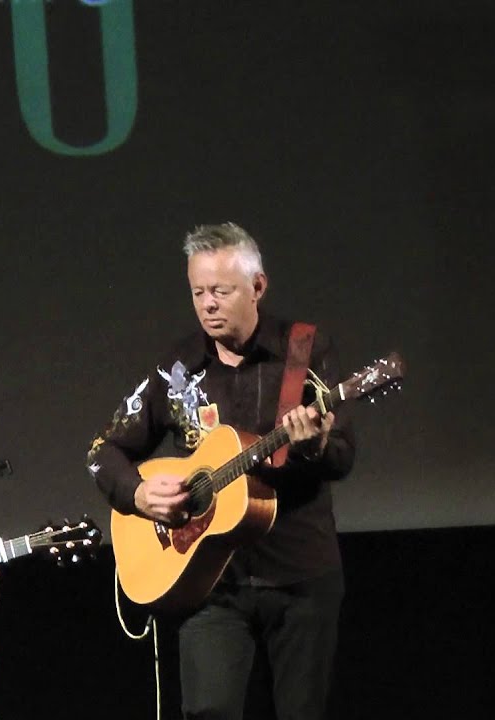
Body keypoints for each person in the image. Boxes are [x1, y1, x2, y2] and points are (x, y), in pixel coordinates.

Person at [87, 223, 355, 720]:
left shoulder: (304, 353)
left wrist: (315, 444)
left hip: (300, 577)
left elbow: (342, 455)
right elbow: (103, 450)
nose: (208, 303)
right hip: (208, 579)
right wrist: (139, 494)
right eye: (198, 292)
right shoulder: (178, 366)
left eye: (221, 291)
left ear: (257, 287)